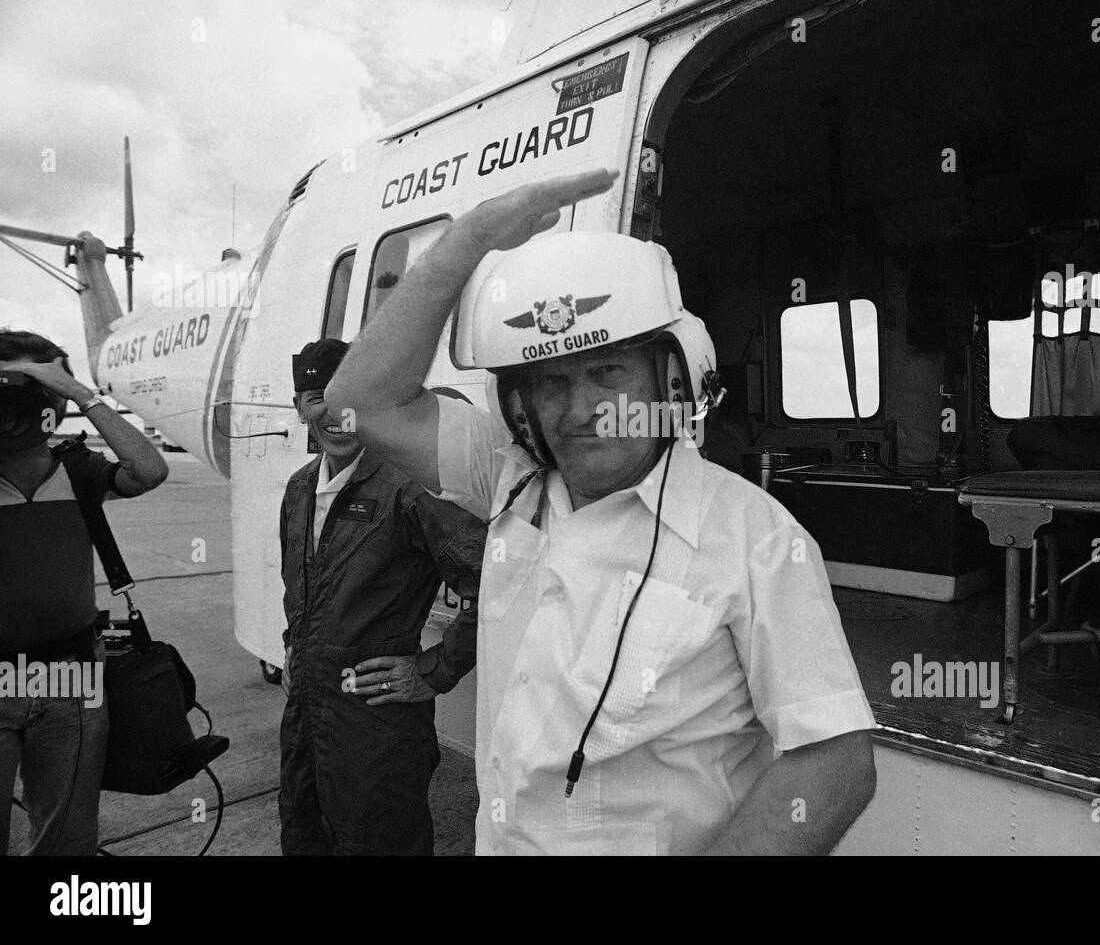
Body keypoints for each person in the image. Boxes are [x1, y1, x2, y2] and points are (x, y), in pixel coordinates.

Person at [326, 170, 879, 855]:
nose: (580, 407)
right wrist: (471, 237)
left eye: (608, 371)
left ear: (669, 380)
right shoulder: (510, 478)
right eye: (551, 381)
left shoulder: (755, 536)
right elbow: (362, 400)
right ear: (522, 405)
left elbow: (836, 762)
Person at [278, 338, 485, 856]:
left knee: (382, 842)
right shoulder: (299, 489)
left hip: (376, 722)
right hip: (305, 710)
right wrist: (293, 648)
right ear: (299, 407)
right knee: (304, 835)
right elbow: (298, 591)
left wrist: (434, 670)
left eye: (346, 395)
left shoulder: (407, 487)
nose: (334, 412)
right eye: (315, 396)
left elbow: (498, 584)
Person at [0, 330, 168, 855]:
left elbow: (149, 469)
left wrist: (81, 394)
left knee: (69, 839)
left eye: (31, 388)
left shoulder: (76, 468)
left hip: (69, 674)